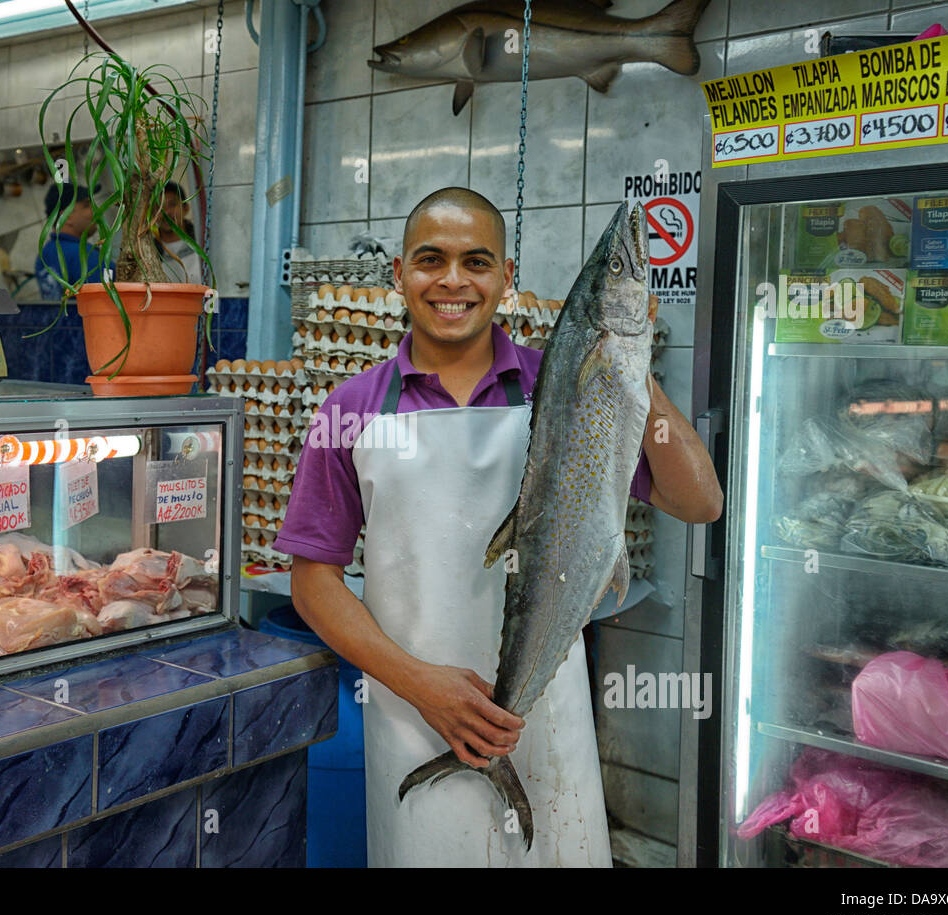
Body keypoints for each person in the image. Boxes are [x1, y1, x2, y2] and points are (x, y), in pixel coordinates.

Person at [273, 186, 722, 868]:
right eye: (431, 260)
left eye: (476, 262)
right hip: (413, 716)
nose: (453, 280)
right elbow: (313, 583)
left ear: (506, 278)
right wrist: (422, 685)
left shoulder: (563, 389)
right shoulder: (352, 408)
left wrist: (623, 364)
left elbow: (701, 501)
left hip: (545, 716)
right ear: (399, 273)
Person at [35, 183, 110, 301]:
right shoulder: (83, 255)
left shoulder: (45, 254)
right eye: (86, 206)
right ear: (66, 216)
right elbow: (107, 301)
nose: (95, 210)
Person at [155, 181, 205, 284]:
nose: (166, 212)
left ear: (186, 208)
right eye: (159, 207)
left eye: (172, 204)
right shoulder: (150, 253)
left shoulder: (203, 244)